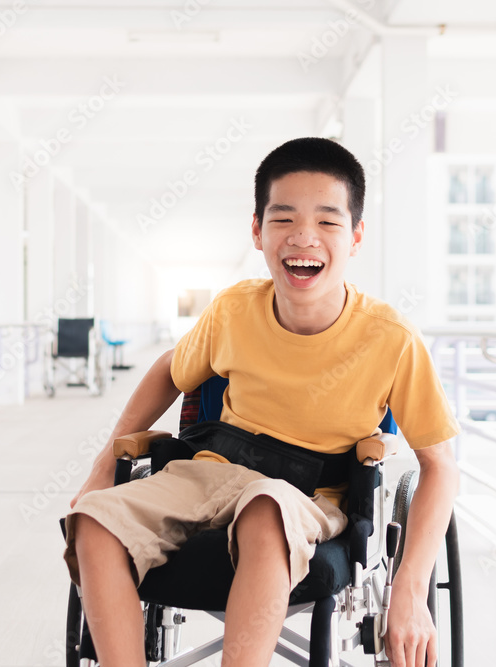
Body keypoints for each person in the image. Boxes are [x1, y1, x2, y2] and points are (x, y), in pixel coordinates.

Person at [63, 137, 460, 667]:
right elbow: (169, 370)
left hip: (308, 491)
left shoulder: (390, 339)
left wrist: (409, 588)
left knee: (265, 508)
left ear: (356, 236)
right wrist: (103, 464)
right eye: (283, 219)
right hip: (211, 471)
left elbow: (439, 466)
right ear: (257, 230)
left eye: (327, 221)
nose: (303, 237)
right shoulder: (232, 311)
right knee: (93, 518)